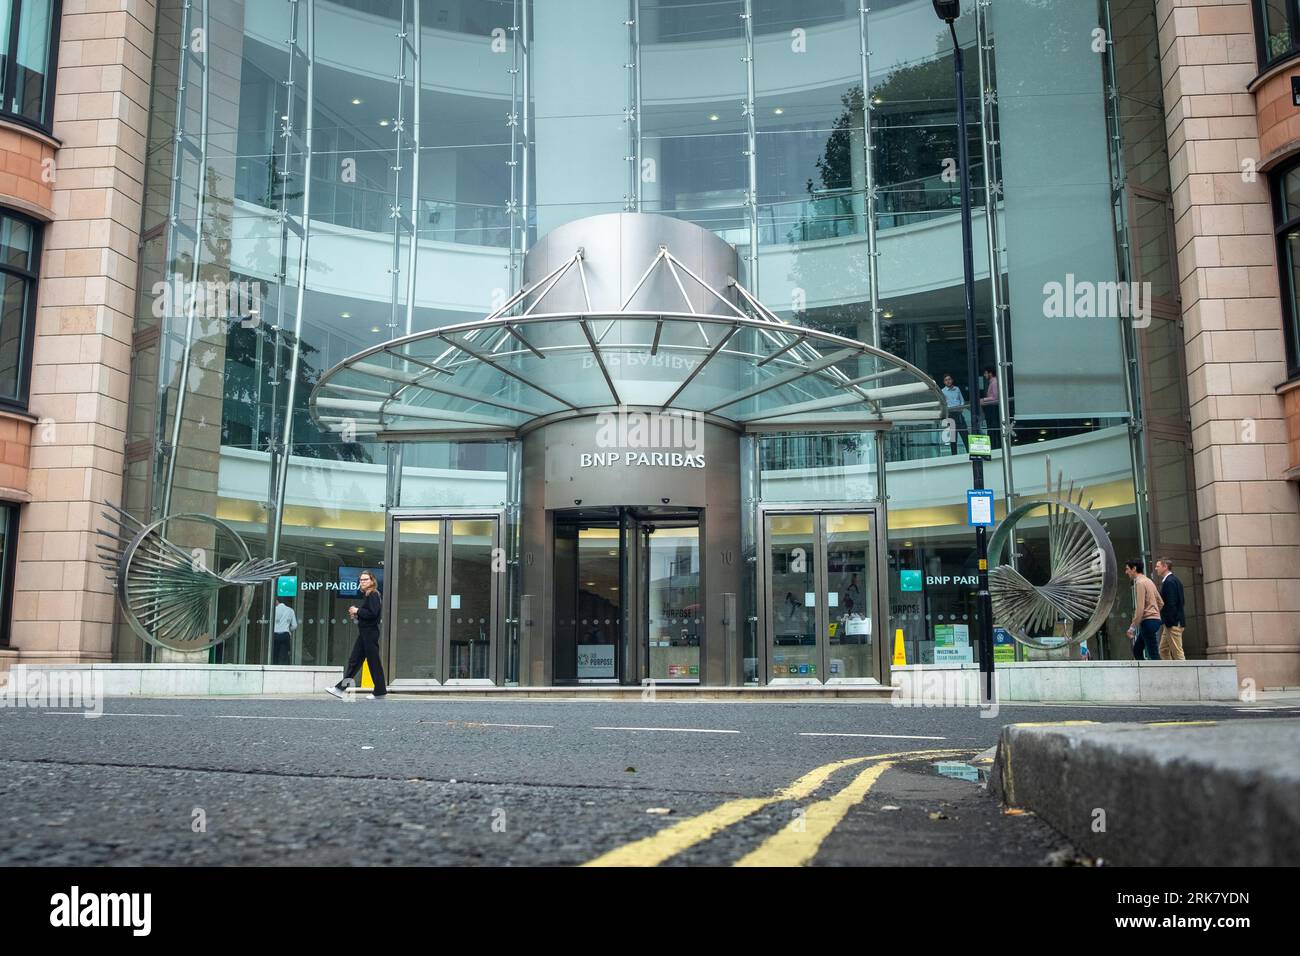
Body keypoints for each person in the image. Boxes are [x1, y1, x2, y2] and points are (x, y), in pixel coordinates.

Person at [327, 570, 388, 699]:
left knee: (372, 662)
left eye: (366, 579)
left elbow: (373, 614)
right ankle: (340, 688)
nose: (363, 582)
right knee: (355, 661)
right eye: (361, 580)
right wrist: (357, 614)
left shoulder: (373, 594)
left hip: (370, 633)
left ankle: (380, 691)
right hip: (365, 633)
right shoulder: (368, 595)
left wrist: (358, 610)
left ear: (372, 581)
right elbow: (369, 614)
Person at [1124, 558, 1164, 660]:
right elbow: (1161, 603)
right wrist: (1153, 612)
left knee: (1154, 654)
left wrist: (1132, 628)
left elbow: (1140, 609)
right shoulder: (1148, 581)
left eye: (1128, 569)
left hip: (1148, 622)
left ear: (1134, 569)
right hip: (1154, 621)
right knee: (1137, 650)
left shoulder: (1140, 583)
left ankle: (1159, 675)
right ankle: (1145, 673)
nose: (1126, 572)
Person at [1154, 556, 1186, 661]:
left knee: (1178, 654)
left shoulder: (1169, 582)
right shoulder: (1174, 580)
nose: (1156, 568)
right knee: (1163, 650)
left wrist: (1170, 622)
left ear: (1165, 567)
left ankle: (1185, 676)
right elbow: (1181, 601)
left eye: (1158, 566)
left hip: (1172, 623)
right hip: (1171, 623)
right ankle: (1172, 672)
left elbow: (1171, 604)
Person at [939, 373, 968, 455]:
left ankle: (970, 452)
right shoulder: (942, 391)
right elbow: (943, 404)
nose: (948, 381)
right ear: (944, 382)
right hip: (951, 415)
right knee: (953, 437)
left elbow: (962, 400)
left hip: (959, 414)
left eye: (949, 379)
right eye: (946, 380)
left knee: (965, 434)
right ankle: (954, 455)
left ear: (952, 380)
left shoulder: (957, 389)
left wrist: (961, 408)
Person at [272, 597, 298, 666]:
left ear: (277, 601)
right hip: (285, 635)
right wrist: (288, 629)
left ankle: (274, 668)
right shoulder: (290, 610)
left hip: (275, 635)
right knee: (285, 654)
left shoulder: (273, 610)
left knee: (275, 654)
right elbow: (295, 625)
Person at [979, 366, 1001, 448]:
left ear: (990, 373)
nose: (984, 375)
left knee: (993, 428)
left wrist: (983, 400)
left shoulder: (994, 382)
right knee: (991, 428)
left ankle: (994, 446)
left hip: (994, 409)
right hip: (992, 409)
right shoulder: (992, 382)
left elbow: (995, 397)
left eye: (985, 373)